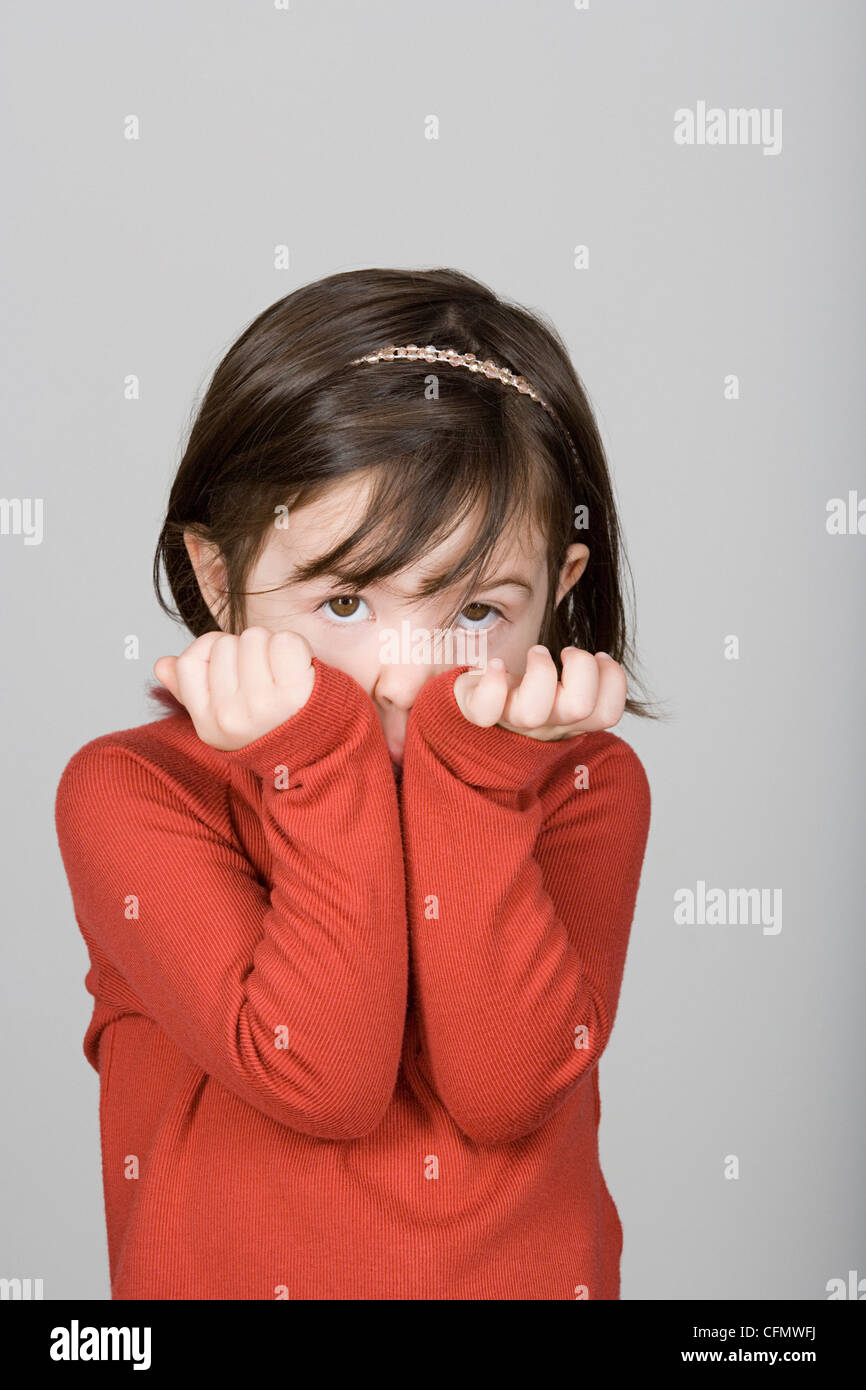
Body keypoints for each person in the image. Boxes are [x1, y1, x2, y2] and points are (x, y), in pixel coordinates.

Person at [55, 266, 658, 1299]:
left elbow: (502, 1087)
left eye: (475, 613)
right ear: (215, 579)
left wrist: (476, 781)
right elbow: (319, 1076)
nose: (401, 671)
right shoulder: (132, 790)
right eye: (343, 604)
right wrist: (317, 759)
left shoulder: (584, 784)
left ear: (557, 591)